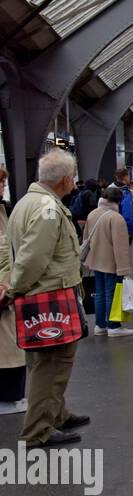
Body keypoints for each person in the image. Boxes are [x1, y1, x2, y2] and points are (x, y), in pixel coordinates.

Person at [6, 149, 90, 446]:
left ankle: (57, 413)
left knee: (44, 363)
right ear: (66, 180)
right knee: (52, 365)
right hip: (50, 298)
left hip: (43, 296)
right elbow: (32, 259)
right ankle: (38, 430)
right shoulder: (48, 210)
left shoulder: (26, 203)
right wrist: (13, 288)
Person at [84, 184, 133, 337]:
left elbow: (86, 237)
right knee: (113, 294)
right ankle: (114, 326)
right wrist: (124, 268)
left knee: (99, 293)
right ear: (119, 201)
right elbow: (121, 247)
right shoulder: (116, 218)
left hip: (95, 261)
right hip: (112, 262)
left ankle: (100, 325)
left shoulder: (92, 214)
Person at [0, 166, 28, 417]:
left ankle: (13, 396)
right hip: (2, 291)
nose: (2, 187)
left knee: (12, 349)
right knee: (9, 351)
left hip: (7, 289)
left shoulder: (3, 209)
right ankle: (9, 398)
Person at [112, 168, 133, 246]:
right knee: (123, 255)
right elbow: (127, 215)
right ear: (125, 177)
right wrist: (130, 231)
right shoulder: (125, 193)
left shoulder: (108, 189)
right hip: (121, 228)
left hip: (108, 227)